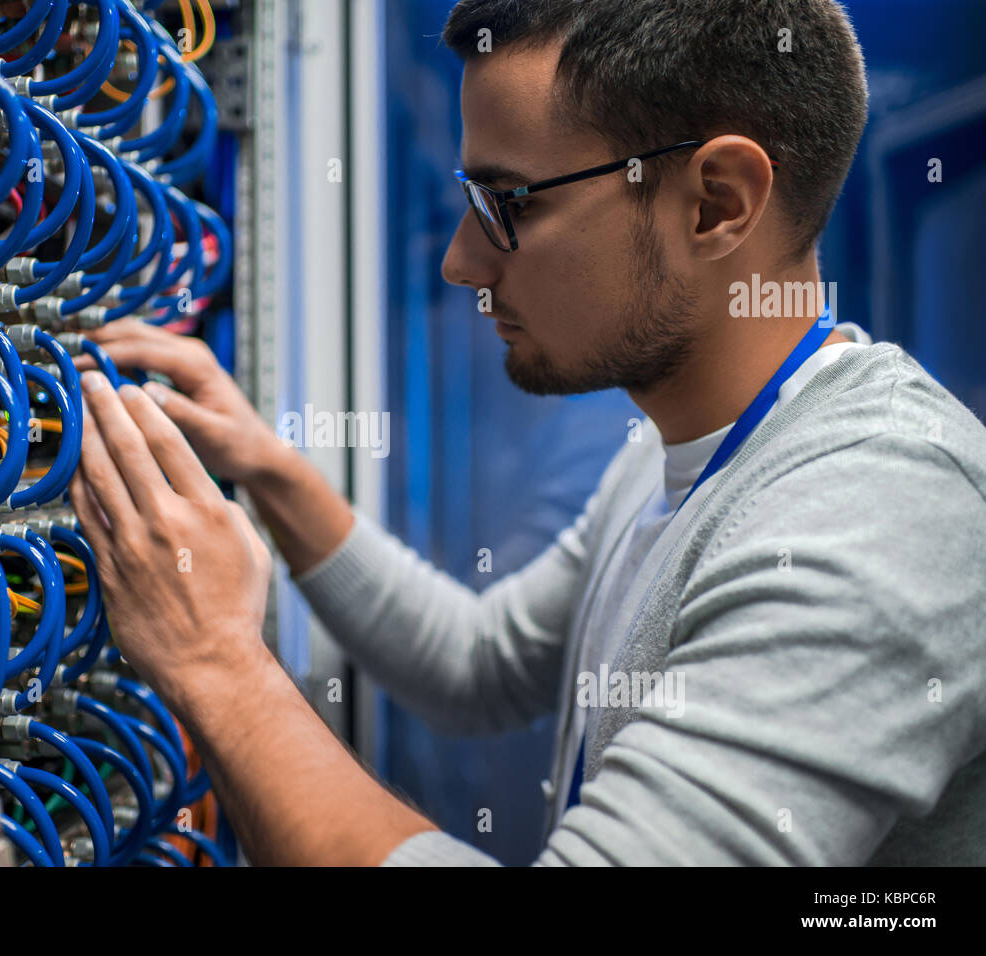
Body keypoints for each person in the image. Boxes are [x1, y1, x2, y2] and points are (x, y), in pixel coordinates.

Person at [70, 0, 986, 865]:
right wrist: (267, 465)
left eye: (509, 204)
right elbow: (480, 666)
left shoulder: (879, 513)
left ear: (717, 202)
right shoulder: (682, 452)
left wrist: (216, 662)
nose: (460, 262)